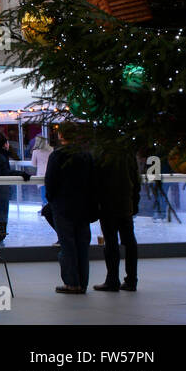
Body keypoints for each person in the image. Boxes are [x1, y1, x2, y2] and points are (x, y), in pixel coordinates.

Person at [45, 123, 96, 294]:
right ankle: (83, 282)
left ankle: (72, 282)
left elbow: (50, 182)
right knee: (82, 244)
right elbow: (92, 181)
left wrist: (52, 200)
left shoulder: (57, 155)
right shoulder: (86, 155)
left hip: (63, 206)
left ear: (61, 135)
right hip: (83, 206)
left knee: (67, 245)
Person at [93, 138, 141, 292]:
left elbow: (96, 180)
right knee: (129, 241)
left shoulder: (102, 154)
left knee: (111, 242)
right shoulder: (128, 154)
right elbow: (136, 179)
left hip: (108, 205)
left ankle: (112, 279)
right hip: (126, 203)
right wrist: (135, 202)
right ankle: (132, 279)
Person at [0, 132, 30, 228]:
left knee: (0, 217)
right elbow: (5, 172)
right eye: (7, 143)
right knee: (1, 218)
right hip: (0, 191)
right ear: (4, 144)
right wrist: (21, 173)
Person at [31, 134, 54, 207]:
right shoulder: (51, 150)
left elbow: (33, 164)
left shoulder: (36, 152)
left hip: (41, 174)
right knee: (50, 192)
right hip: (50, 173)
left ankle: (45, 208)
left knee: (43, 193)